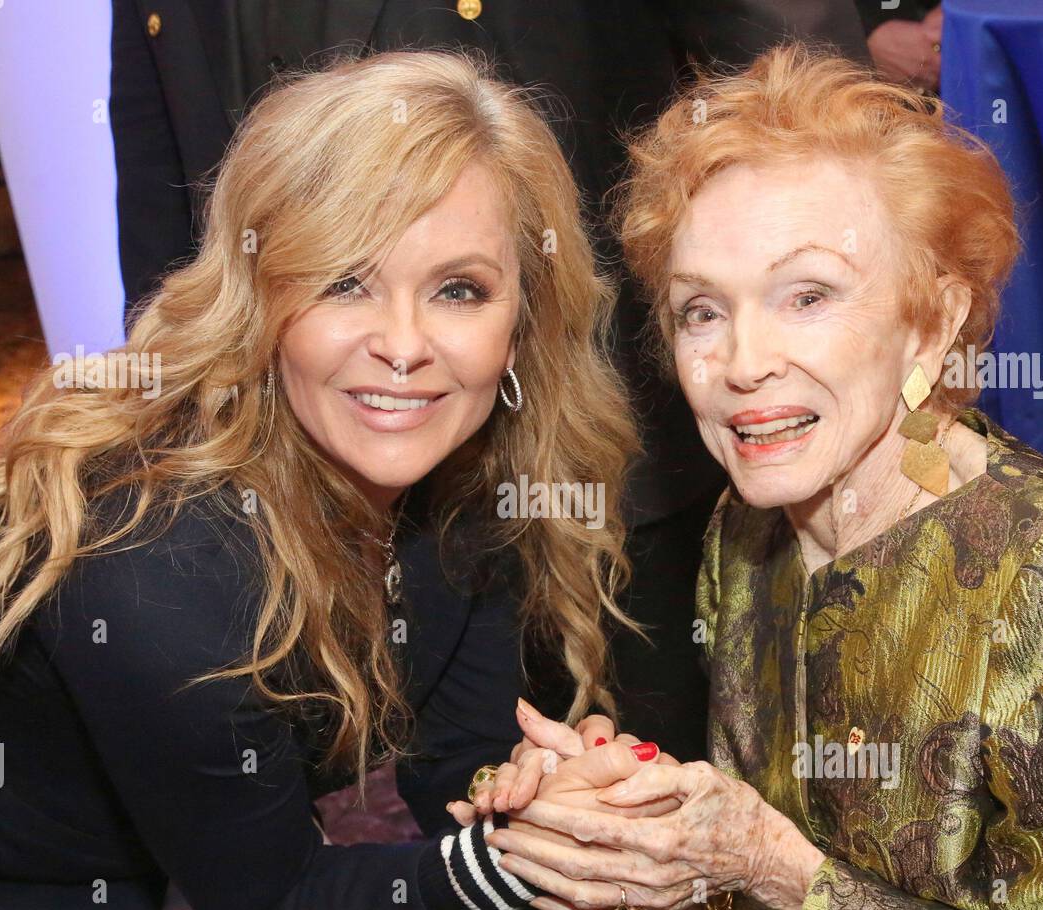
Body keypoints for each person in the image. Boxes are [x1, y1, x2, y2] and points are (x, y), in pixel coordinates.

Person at [0, 50, 646, 910]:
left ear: (522, 319)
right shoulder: (149, 556)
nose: (407, 346)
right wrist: (520, 864)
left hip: (197, 823)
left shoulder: (470, 470)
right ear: (264, 300)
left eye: (459, 288)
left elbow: (452, 758)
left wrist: (531, 794)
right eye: (345, 281)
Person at [463, 45, 1043, 910]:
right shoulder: (748, 533)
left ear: (932, 323)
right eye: (700, 311)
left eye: (806, 295)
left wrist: (774, 868)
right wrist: (645, 844)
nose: (741, 361)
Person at [109, 0, 874, 763]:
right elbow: (153, 149)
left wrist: (849, 280)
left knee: (653, 760)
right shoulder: (151, 562)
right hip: (289, 442)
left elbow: (782, 53)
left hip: (585, 430)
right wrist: (179, 389)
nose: (400, 341)